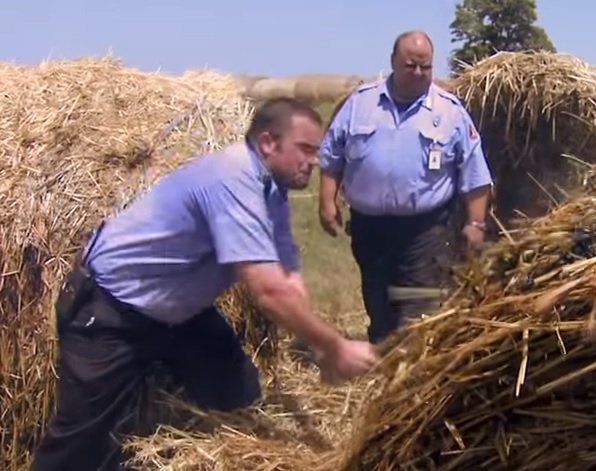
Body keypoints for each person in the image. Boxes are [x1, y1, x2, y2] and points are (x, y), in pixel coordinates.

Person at [32, 97, 378, 471]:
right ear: (267, 143)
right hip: (111, 312)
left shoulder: (273, 193)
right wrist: (335, 345)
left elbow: (287, 277)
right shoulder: (231, 177)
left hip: (180, 316)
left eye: (318, 151)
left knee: (236, 393)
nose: (315, 161)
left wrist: (319, 341)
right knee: (83, 444)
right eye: (306, 150)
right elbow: (268, 291)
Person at [317, 30, 494, 344]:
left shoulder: (449, 112)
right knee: (378, 298)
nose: (418, 73)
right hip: (369, 227)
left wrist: (476, 223)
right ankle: (385, 361)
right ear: (393, 63)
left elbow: (475, 174)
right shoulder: (361, 104)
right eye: (411, 66)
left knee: (418, 303)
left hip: (425, 230)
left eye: (425, 67)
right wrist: (327, 201)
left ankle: (413, 371)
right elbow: (332, 155)